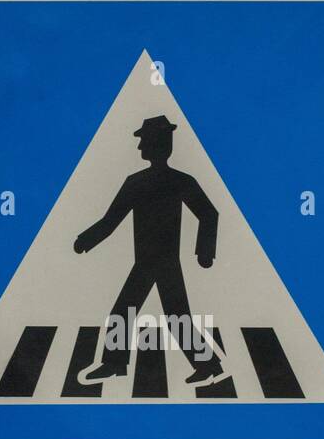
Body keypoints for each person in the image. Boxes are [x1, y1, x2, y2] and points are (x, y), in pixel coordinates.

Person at [74, 114, 224, 384]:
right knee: (165, 316)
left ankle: (116, 363)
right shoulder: (153, 181)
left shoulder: (153, 181)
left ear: (156, 145)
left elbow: (209, 214)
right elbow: (111, 222)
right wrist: (87, 239)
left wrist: (204, 251)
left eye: (144, 142)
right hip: (150, 262)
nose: (140, 148)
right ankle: (207, 365)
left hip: (160, 262)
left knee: (141, 314)